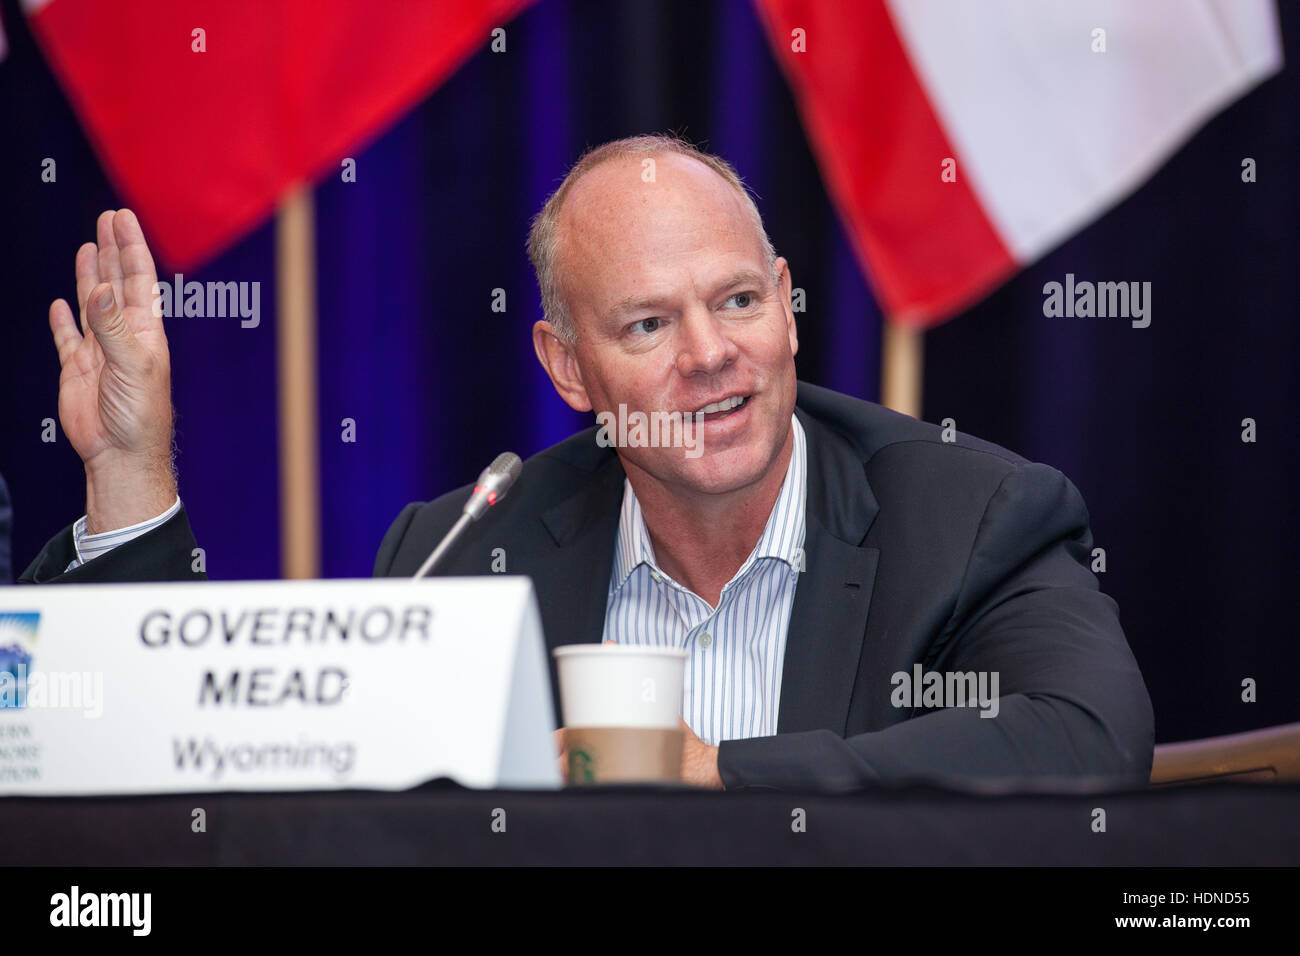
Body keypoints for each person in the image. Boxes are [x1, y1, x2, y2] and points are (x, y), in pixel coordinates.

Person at [21, 134, 1154, 792]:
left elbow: (1089, 737)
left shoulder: (965, 514)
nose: (713, 355)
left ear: (790, 311)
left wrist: (711, 775)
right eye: (649, 326)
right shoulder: (470, 548)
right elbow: (256, 776)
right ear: (567, 368)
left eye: (740, 302)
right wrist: (131, 477)